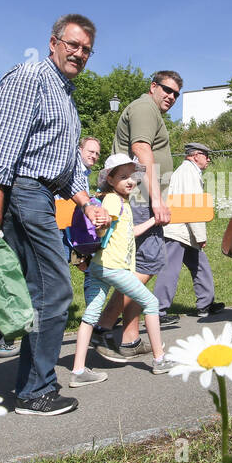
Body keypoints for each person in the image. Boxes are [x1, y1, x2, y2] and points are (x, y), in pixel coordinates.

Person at [0, 14, 107, 416]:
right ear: (53, 42)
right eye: (73, 44)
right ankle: (35, 391)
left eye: (86, 49)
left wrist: (86, 202)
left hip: (41, 194)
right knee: (53, 291)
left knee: (10, 293)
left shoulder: (65, 96)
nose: (79, 54)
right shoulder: (32, 76)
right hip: (22, 195)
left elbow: (63, 166)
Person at [93, 71, 181, 361]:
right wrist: (157, 199)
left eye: (176, 94)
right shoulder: (145, 108)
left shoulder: (149, 110)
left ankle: (129, 339)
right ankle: (104, 326)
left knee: (139, 267)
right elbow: (141, 149)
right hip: (143, 198)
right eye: (166, 89)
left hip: (142, 197)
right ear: (153, 86)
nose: (171, 96)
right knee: (146, 266)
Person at [68, 154, 174, 386]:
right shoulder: (113, 201)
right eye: (123, 176)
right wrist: (101, 225)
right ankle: (160, 360)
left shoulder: (121, 202)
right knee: (151, 304)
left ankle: (78, 371)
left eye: (132, 176)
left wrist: (154, 222)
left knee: (90, 316)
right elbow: (103, 224)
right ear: (110, 179)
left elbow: (130, 232)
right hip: (114, 267)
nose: (130, 181)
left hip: (99, 267)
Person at [153, 142, 223, 318]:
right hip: (178, 230)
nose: (208, 159)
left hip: (182, 229)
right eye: (206, 155)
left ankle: (206, 304)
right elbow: (193, 206)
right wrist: (200, 236)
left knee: (201, 265)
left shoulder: (187, 171)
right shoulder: (188, 173)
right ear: (195, 155)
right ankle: (158, 311)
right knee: (170, 270)